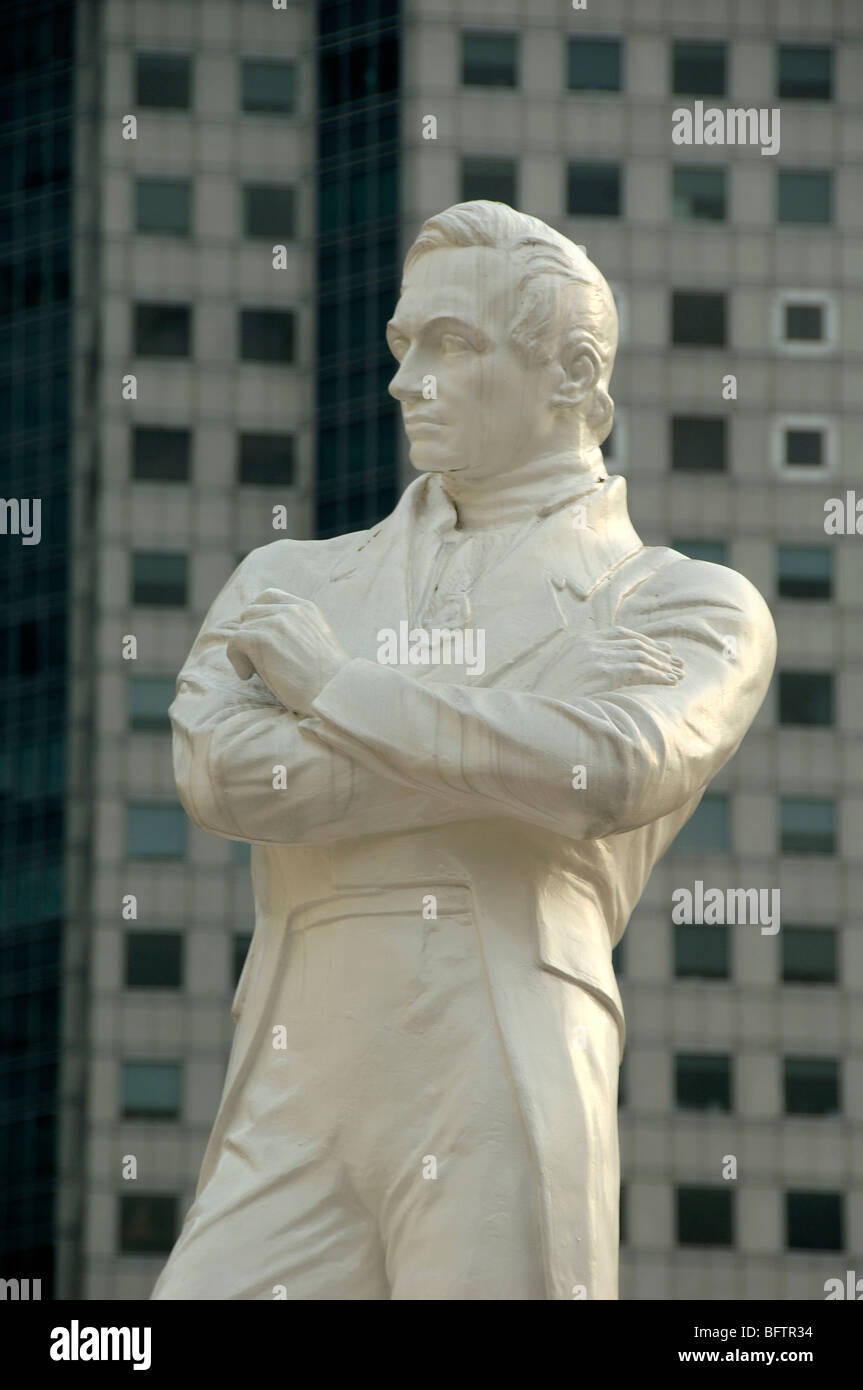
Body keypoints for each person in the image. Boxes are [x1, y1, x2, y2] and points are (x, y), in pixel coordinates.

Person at [151, 202, 776, 1300]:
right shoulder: (290, 581)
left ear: (572, 375)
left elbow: (611, 763)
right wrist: (494, 746)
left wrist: (336, 690)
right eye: (403, 345)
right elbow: (220, 773)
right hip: (298, 1066)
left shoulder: (682, 602)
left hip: (498, 1053)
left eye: (451, 344)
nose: (404, 381)